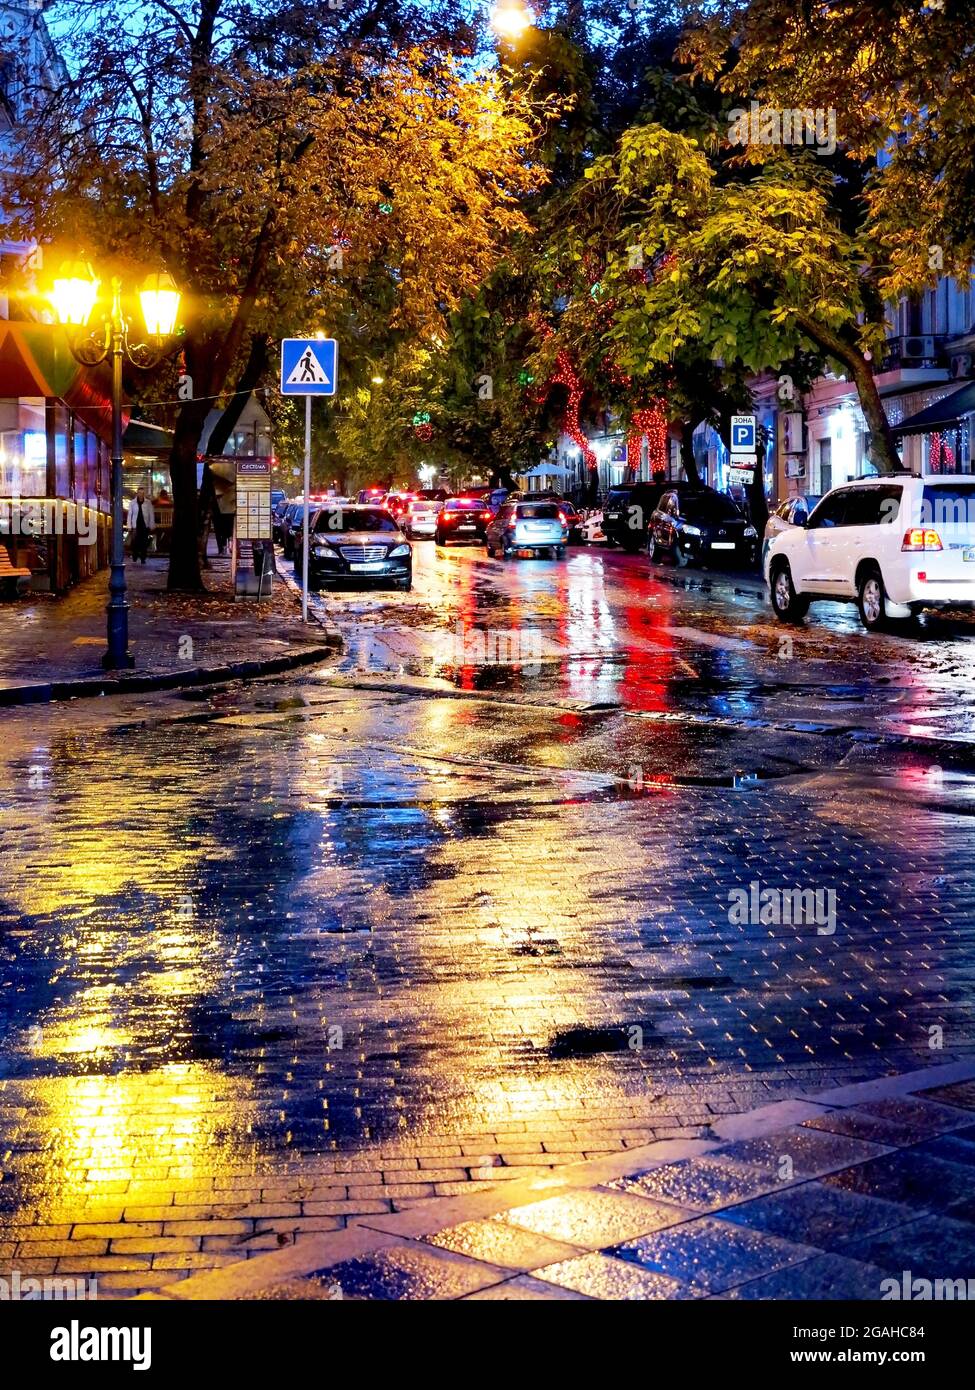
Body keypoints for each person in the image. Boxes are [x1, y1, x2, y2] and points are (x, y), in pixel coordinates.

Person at [127, 488, 155, 564]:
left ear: (144, 494)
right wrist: (129, 525)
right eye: (139, 493)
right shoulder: (132, 503)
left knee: (144, 542)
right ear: (137, 493)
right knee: (135, 542)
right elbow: (130, 514)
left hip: (144, 525)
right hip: (135, 525)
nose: (141, 495)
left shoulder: (148, 503)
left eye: (142, 493)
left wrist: (152, 525)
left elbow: (151, 514)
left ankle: (143, 558)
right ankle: (135, 556)